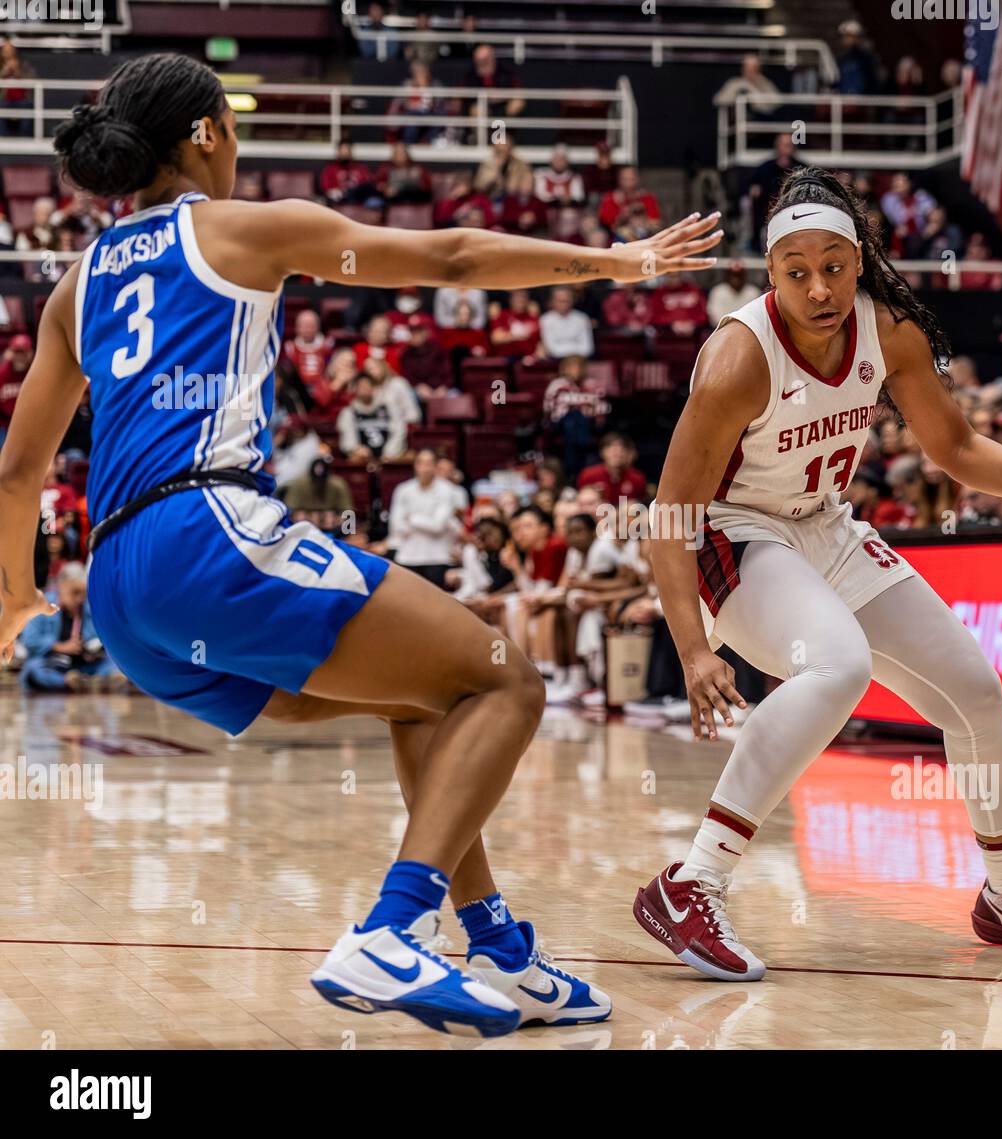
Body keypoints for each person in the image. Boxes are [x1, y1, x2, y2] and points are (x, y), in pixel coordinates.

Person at [0, 54, 721, 1036]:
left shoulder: (77, 282)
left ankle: (495, 939)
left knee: (427, 692)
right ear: (208, 134)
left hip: (122, 592)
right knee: (508, 678)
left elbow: (16, 468)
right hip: (204, 531)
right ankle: (391, 928)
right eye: (232, 127)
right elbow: (453, 261)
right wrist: (619, 263)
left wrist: (11, 591)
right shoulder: (250, 226)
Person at [633, 167, 1002, 982]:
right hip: (733, 534)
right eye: (796, 270)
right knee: (837, 664)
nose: (818, 288)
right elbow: (668, 518)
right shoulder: (738, 356)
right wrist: (695, 649)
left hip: (827, 528)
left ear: (860, 258)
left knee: (975, 690)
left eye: (834, 266)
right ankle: (692, 881)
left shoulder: (891, 331)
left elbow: (953, 449)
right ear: (769, 273)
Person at [19, 562, 124, 692]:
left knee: (114, 663)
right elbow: (29, 640)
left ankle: (104, 678)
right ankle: (68, 681)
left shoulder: (88, 608)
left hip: (84, 662)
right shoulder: (42, 605)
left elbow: (100, 637)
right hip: (53, 662)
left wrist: (92, 648)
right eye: (75, 593)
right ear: (61, 586)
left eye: (83, 594)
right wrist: (60, 646)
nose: (80, 599)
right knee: (33, 669)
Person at [388, 448, 465, 587]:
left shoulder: (447, 490)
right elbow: (397, 526)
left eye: (429, 463)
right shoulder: (403, 490)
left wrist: (411, 518)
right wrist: (425, 522)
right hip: (408, 556)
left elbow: (437, 526)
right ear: (415, 466)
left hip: (438, 557)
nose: (425, 468)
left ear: (435, 466)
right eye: (421, 463)